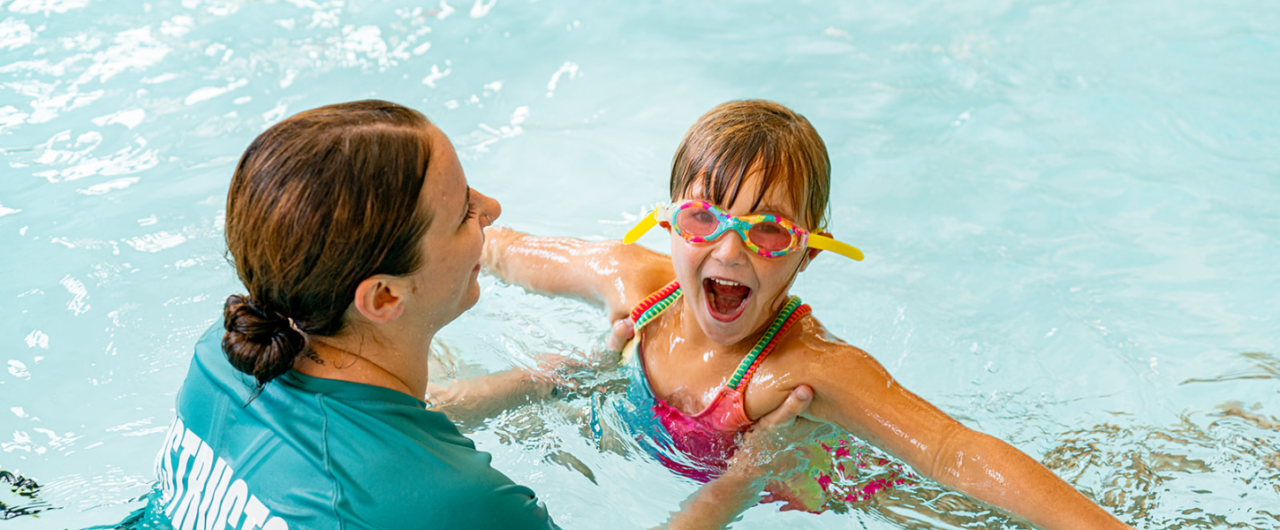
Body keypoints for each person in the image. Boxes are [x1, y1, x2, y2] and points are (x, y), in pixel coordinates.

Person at [145, 100, 812, 530]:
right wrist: (743, 479)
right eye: (464, 211)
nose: (492, 211)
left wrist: (546, 380)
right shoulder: (460, 507)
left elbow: (359, 438)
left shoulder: (229, 353)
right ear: (382, 298)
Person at [482, 99, 1135, 528]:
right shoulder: (636, 288)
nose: (729, 249)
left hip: (832, 487)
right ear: (671, 222)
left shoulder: (802, 371)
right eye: (705, 218)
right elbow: (499, 251)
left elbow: (951, 454)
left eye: (768, 232)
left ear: (806, 256)